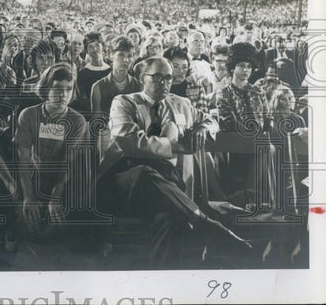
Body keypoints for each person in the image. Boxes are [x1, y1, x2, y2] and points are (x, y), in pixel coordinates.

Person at [97, 57, 250, 266]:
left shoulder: (182, 103)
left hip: (167, 191)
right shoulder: (124, 102)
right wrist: (175, 147)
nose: (164, 82)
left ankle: (160, 280)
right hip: (126, 183)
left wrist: (202, 129)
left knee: (169, 218)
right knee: (144, 172)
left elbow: (210, 120)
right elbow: (129, 141)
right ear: (143, 78)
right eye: (157, 77)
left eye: (168, 77)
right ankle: (208, 224)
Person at [16, 63, 91, 239]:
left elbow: (69, 161)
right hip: (34, 174)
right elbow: (23, 158)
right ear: (46, 88)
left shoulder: (77, 120)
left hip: (64, 178)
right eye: (57, 88)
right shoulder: (28, 114)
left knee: (60, 225)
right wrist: (28, 196)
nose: (63, 94)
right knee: (27, 220)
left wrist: (56, 197)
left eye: (68, 89)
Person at [216, 42, 273, 206]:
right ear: (233, 68)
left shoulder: (257, 90)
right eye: (241, 65)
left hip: (257, 140)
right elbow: (227, 123)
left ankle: (248, 194)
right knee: (264, 148)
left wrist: (266, 127)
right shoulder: (224, 93)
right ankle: (246, 195)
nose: (246, 70)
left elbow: (267, 116)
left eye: (249, 66)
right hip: (234, 142)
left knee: (267, 148)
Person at [74, 32, 111, 113]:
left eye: (97, 45)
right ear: (86, 50)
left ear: (103, 47)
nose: (95, 49)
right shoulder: (81, 74)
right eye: (90, 46)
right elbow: (82, 101)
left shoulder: (112, 71)